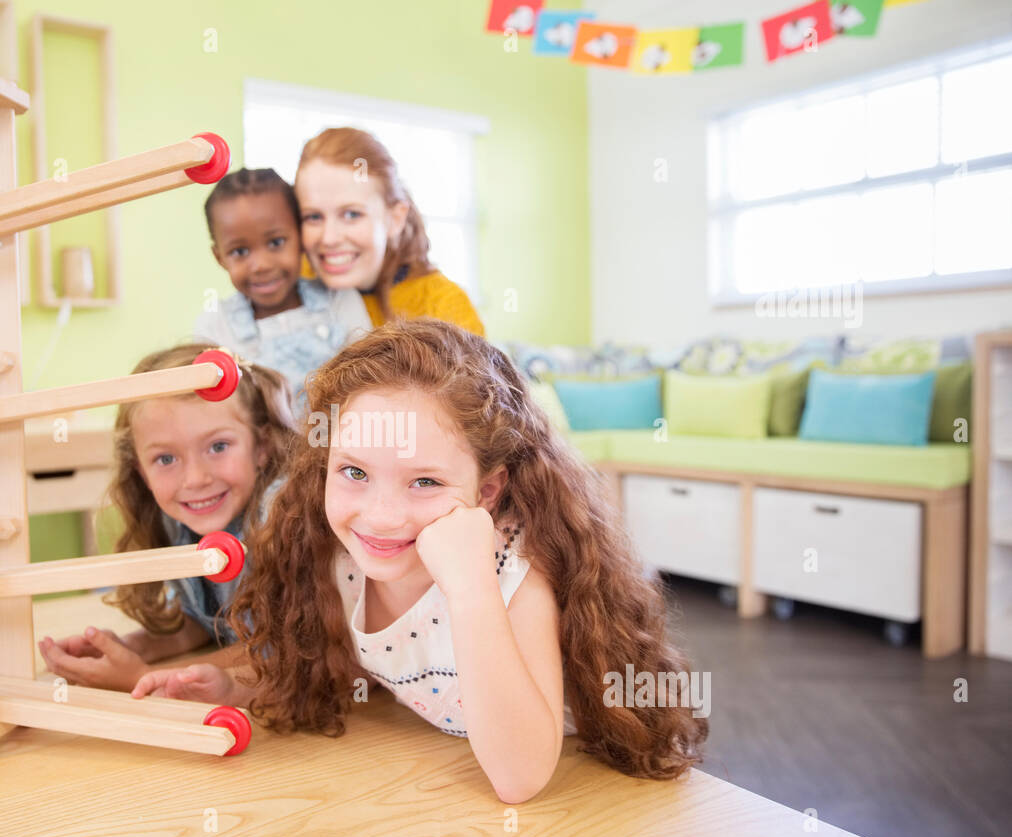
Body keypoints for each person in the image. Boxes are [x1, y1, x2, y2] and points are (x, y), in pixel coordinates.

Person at [132, 321, 707, 803]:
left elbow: (520, 778)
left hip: (582, 802)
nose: (381, 516)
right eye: (353, 472)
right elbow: (338, 665)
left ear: (486, 491)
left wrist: (472, 588)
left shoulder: (514, 580)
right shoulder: (335, 552)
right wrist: (237, 687)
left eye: (425, 481)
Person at [37, 344, 295, 692]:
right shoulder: (179, 519)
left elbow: (277, 650)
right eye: (165, 459)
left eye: (218, 447)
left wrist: (143, 677)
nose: (195, 479)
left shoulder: (278, 517)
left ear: (261, 447)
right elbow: (204, 623)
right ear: (141, 471)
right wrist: (131, 648)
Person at [194, 167, 371, 415]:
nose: (261, 265)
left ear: (300, 237)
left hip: (342, 445)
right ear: (219, 257)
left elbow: (371, 381)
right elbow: (212, 411)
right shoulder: (214, 326)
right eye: (240, 252)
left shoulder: (339, 300)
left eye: (276, 243)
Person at [294, 127, 484, 335]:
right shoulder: (290, 285)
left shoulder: (443, 307)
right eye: (313, 217)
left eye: (352, 215)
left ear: (395, 219)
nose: (329, 238)